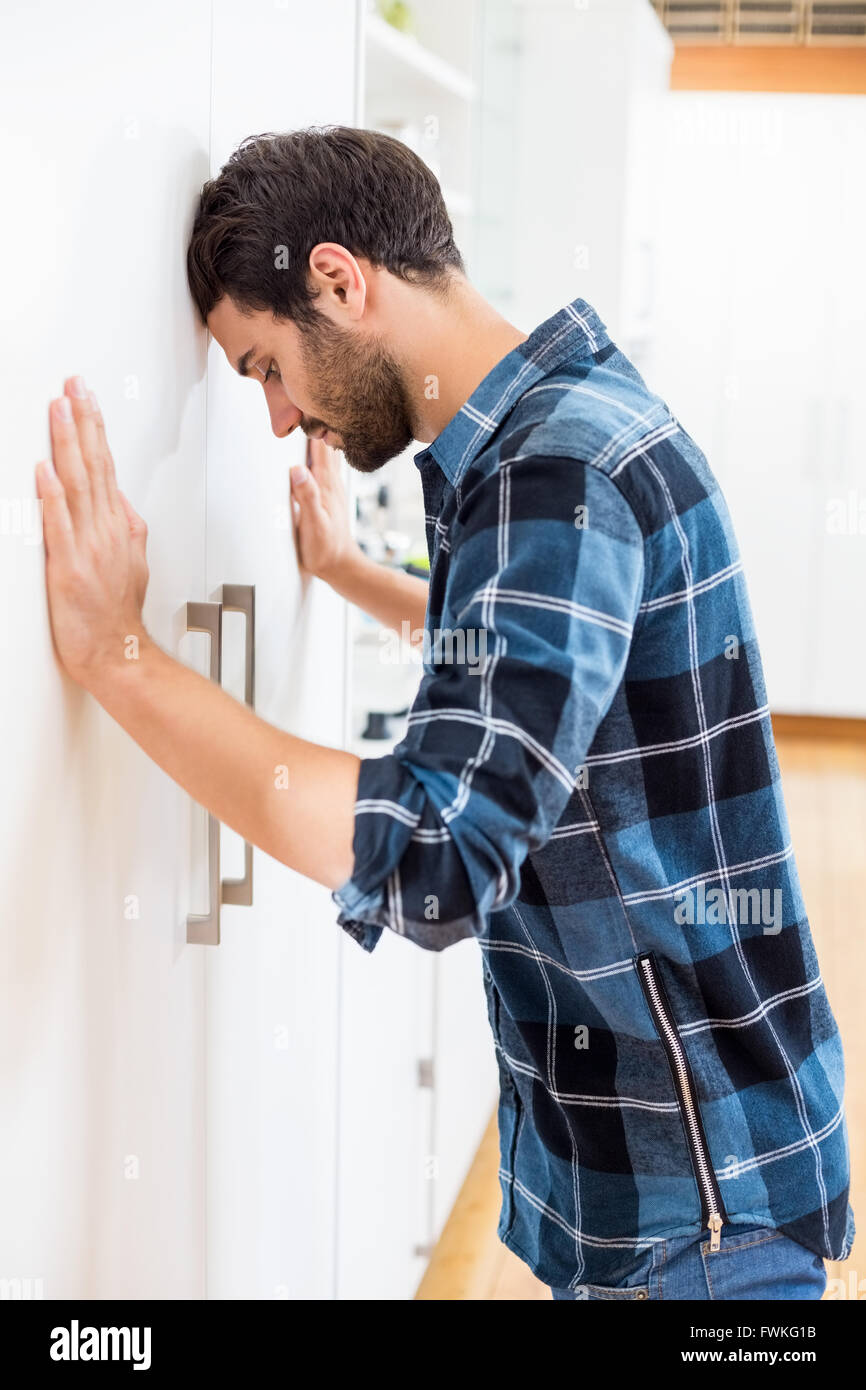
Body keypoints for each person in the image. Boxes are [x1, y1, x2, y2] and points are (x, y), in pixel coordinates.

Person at [36, 127, 853, 1300]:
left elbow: (435, 850)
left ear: (337, 279)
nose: (275, 417)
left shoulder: (551, 474)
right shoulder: (564, 425)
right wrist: (351, 575)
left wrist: (120, 655)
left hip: (701, 1222)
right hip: (698, 1181)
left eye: (266, 364)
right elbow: (552, 668)